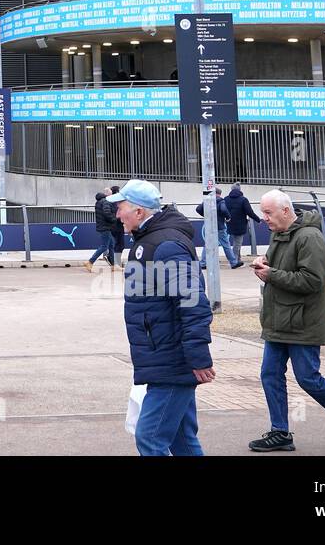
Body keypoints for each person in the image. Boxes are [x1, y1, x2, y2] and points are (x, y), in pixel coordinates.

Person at [248, 189, 325, 451]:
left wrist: (273, 275)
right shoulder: (279, 234)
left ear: (286, 210)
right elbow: (280, 264)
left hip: (302, 322)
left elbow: (313, 281)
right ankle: (280, 432)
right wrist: (263, 262)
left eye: (268, 213)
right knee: (270, 375)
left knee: (308, 378)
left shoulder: (310, 237)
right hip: (278, 320)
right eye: (263, 213)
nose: (264, 218)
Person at [107, 179, 214, 456]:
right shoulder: (148, 241)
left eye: (121, 208)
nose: (117, 214)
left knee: (150, 437)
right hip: (163, 356)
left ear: (139, 212)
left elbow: (192, 302)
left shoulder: (166, 244)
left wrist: (198, 355)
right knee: (181, 441)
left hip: (172, 359)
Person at [196, 187, 240, 270]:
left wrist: (206, 216)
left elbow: (198, 209)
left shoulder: (207, 200)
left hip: (209, 226)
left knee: (207, 244)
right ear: (219, 194)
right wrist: (228, 217)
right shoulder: (220, 201)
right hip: (219, 226)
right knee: (226, 244)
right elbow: (223, 209)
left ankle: (203, 263)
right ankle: (233, 263)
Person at [223, 183, 261, 269]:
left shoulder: (226, 199)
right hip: (240, 224)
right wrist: (258, 219)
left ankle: (238, 259)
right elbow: (249, 212)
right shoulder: (243, 200)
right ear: (239, 190)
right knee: (237, 243)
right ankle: (234, 261)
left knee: (235, 243)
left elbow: (223, 210)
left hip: (229, 223)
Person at [90, 190, 118, 271]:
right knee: (104, 246)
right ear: (107, 195)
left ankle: (113, 265)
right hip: (106, 227)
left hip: (103, 226)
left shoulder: (99, 202)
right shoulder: (105, 201)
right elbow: (107, 213)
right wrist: (114, 219)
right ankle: (90, 262)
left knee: (111, 245)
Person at [107, 185, 127, 266]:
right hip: (117, 226)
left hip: (115, 226)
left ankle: (115, 261)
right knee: (120, 245)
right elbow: (116, 214)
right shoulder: (115, 202)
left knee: (118, 245)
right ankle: (116, 262)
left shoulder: (112, 201)